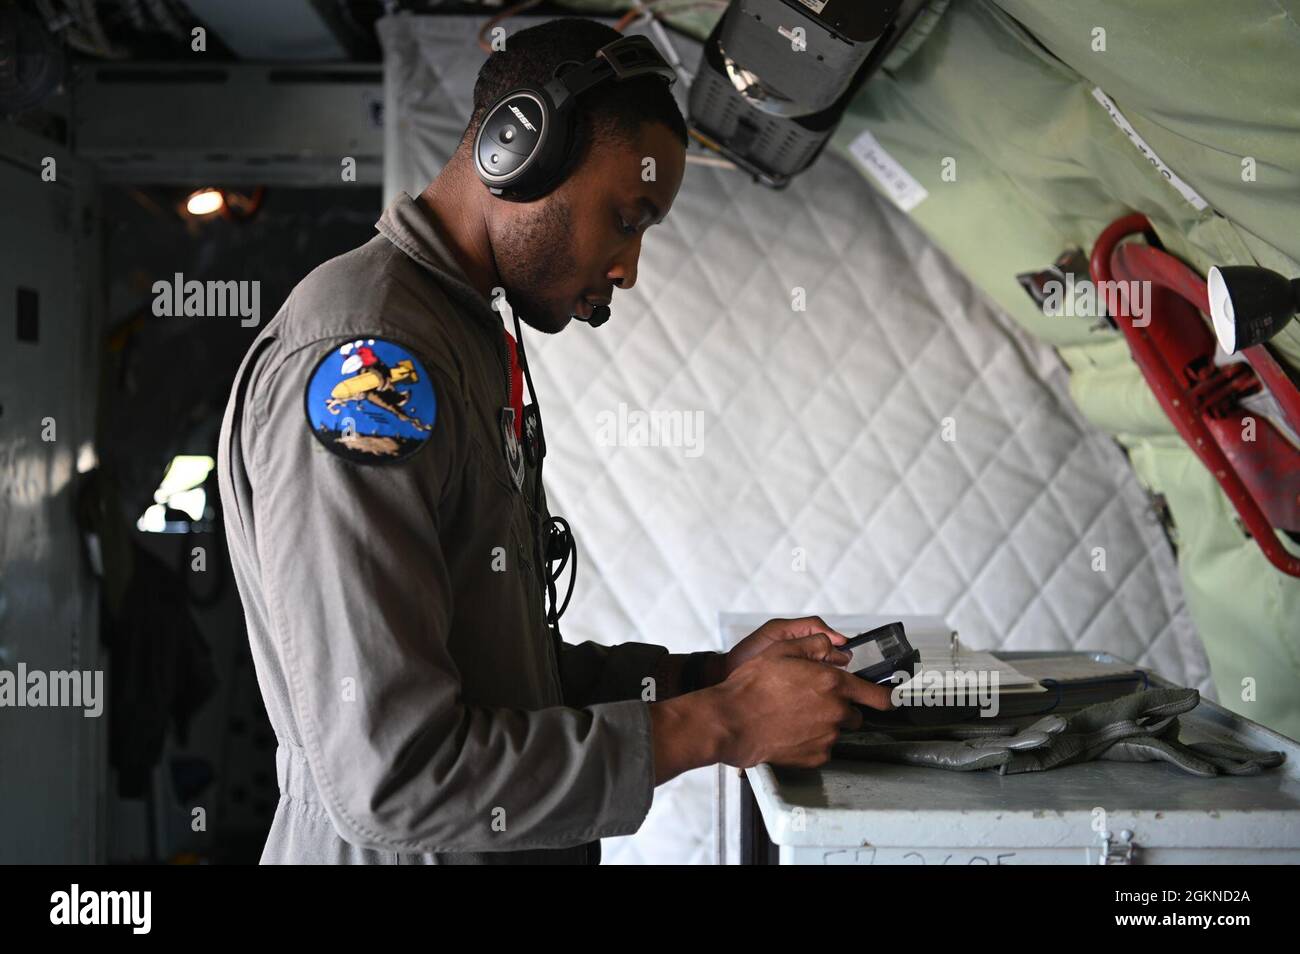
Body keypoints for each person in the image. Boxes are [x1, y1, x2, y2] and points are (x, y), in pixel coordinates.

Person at [217, 17, 890, 865]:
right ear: (518, 149)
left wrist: (706, 679)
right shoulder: (370, 364)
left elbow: (503, 680)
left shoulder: (454, 336)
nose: (628, 268)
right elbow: (396, 776)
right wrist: (723, 724)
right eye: (627, 216)